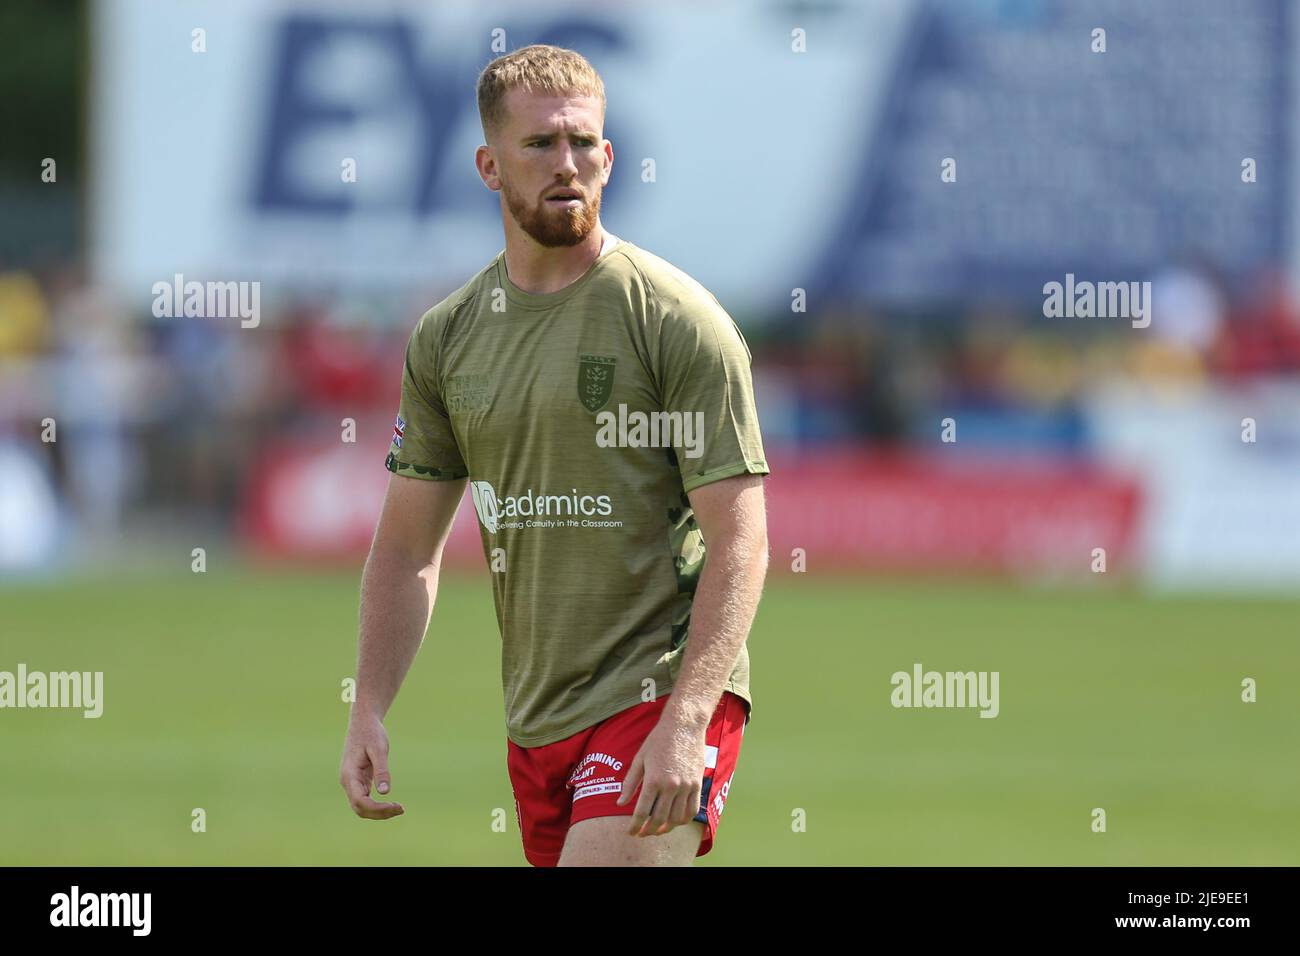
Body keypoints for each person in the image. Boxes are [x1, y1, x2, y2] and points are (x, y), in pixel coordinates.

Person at [339, 44, 770, 866]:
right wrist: (369, 707)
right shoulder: (447, 337)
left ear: (608, 158)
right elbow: (405, 548)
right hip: (538, 721)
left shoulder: (676, 321)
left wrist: (686, 717)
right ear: (489, 166)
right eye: (540, 145)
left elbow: (741, 539)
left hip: (661, 697)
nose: (566, 164)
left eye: (584, 144)